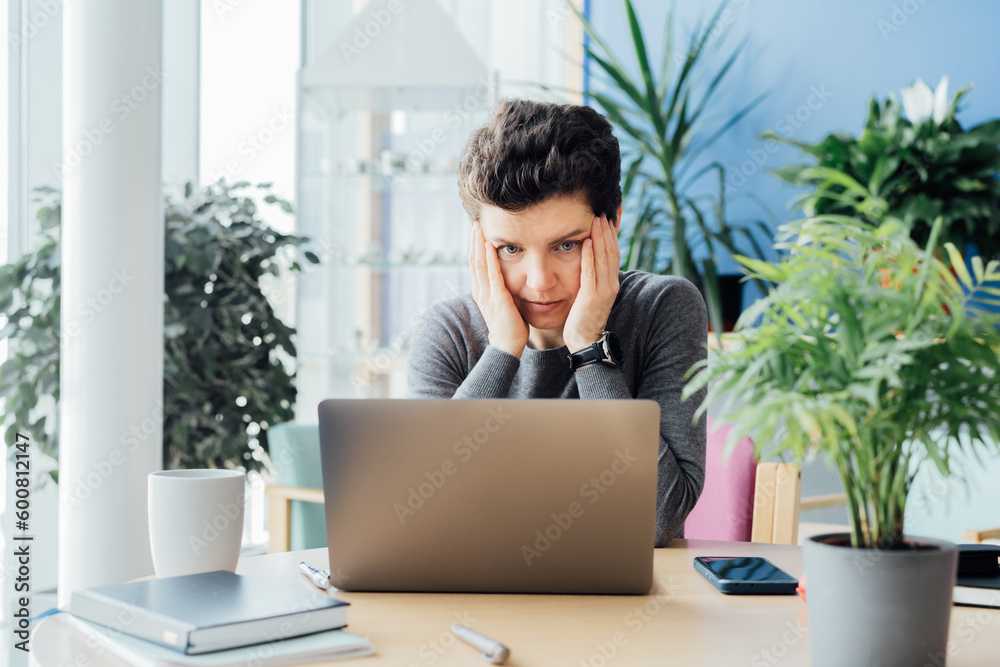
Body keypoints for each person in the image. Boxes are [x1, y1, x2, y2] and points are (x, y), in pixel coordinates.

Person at [406, 98, 707, 547]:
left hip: (625, 607)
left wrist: (588, 347)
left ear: (613, 221)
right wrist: (503, 347)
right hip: (477, 598)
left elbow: (657, 520)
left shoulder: (662, 308)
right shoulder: (448, 331)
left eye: (566, 246)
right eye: (510, 249)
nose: (539, 282)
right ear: (479, 241)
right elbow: (425, 511)